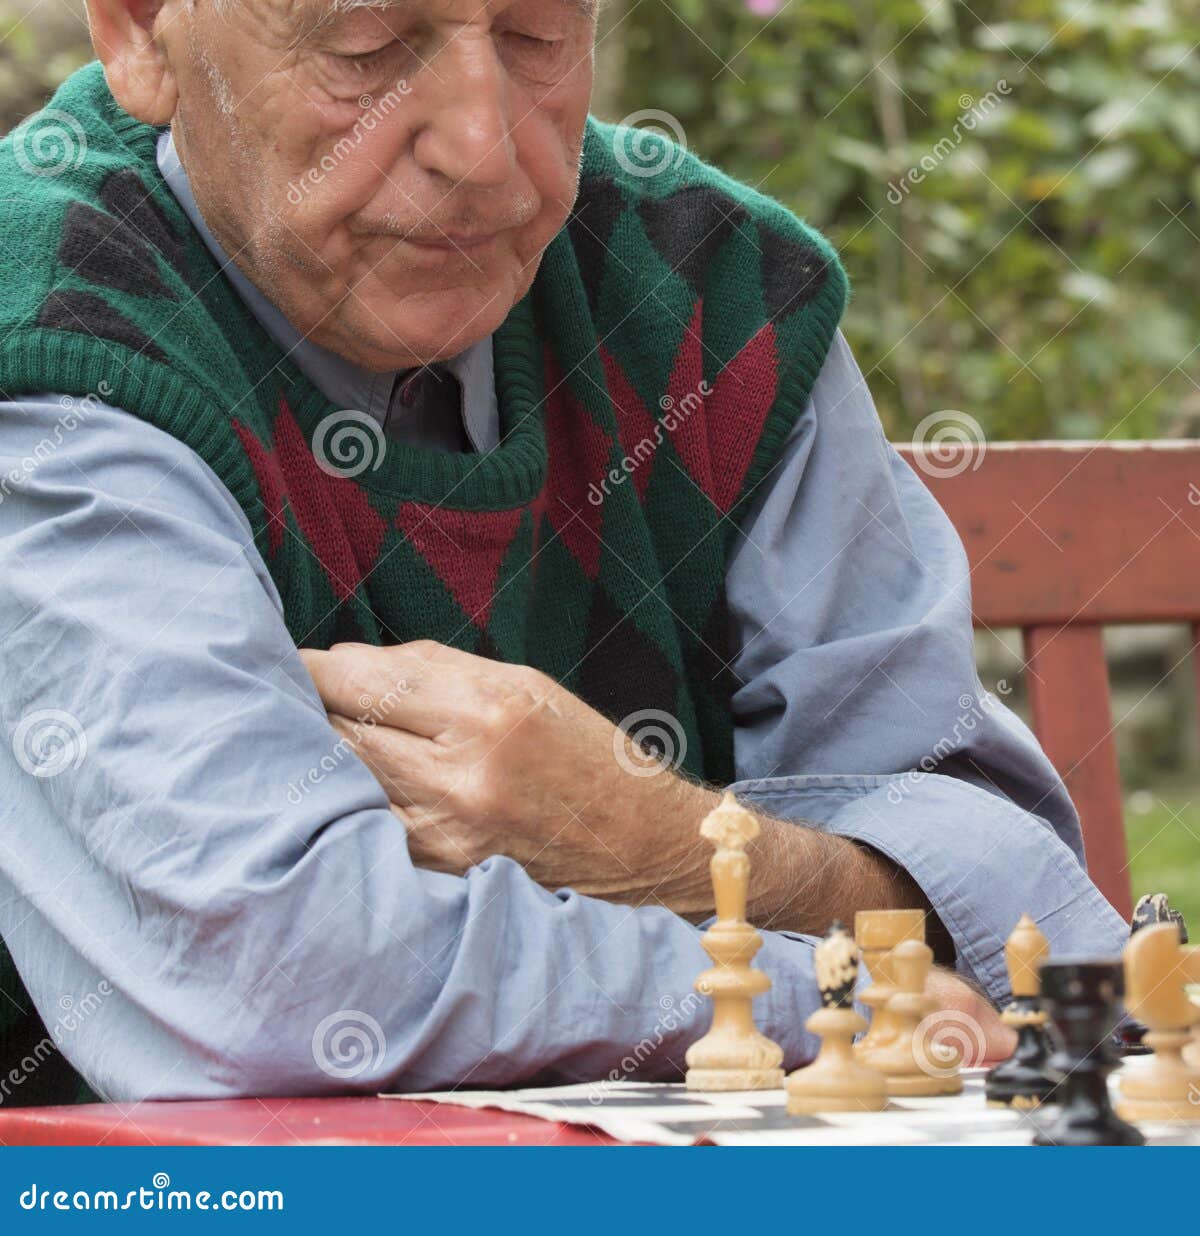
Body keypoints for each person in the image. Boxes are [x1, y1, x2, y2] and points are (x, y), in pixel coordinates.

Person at [0, 0, 1127, 1106]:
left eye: (539, 35)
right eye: (367, 47)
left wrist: (656, 843)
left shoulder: (712, 291)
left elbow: (1011, 893)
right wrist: (849, 998)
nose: (485, 151)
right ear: (144, 32)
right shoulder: (50, 335)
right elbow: (275, 970)